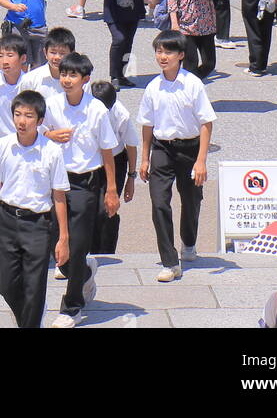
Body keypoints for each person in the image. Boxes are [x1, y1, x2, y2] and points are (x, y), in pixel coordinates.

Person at [43, 52, 119, 328]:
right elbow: (35, 131)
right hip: (54, 184)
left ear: (85, 79)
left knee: (75, 248)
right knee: (56, 247)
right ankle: (85, 273)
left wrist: (111, 190)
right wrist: (50, 135)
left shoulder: (97, 109)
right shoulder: (51, 105)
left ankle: (71, 307)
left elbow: (107, 151)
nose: (66, 79)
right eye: (63, 73)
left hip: (85, 183)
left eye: (72, 75)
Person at [0, 89, 69, 329]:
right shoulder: (2, 147)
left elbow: (59, 196)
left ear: (40, 121)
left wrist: (63, 237)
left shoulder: (51, 151)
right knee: (7, 286)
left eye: (29, 116)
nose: (22, 120)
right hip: (7, 220)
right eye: (18, 114)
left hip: (38, 225)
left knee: (34, 287)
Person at [138, 31, 216, 282]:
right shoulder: (152, 87)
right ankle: (170, 261)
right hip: (162, 149)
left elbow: (206, 123)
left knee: (191, 200)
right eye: (159, 51)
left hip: (190, 149)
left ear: (181, 55)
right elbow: (147, 124)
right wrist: (145, 158)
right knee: (159, 202)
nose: (162, 56)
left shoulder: (193, 84)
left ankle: (189, 242)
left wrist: (201, 159)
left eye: (168, 52)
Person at [89, 81, 138, 254]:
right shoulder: (84, 106)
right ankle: (89, 252)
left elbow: (131, 145)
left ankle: (106, 252)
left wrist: (131, 177)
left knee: (107, 209)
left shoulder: (121, 114)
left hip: (115, 161)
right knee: (89, 209)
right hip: (90, 162)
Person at [23, 27, 76, 100]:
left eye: (62, 53)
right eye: (53, 52)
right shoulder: (30, 79)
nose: (57, 57)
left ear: (72, 54)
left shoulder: (80, 81)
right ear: (45, 52)